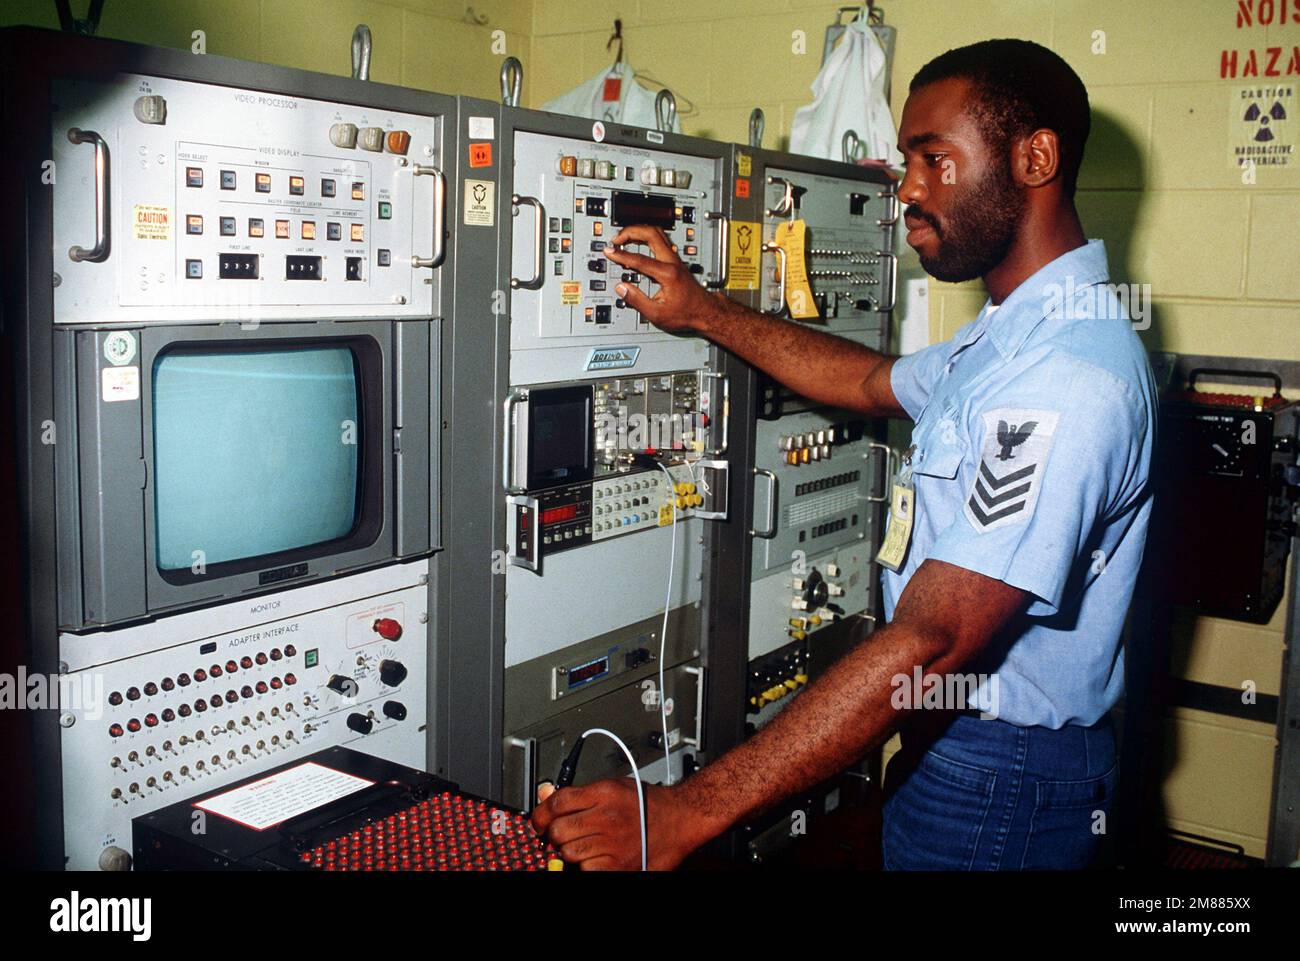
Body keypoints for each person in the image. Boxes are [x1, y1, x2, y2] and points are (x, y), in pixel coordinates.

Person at [531, 38, 1157, 871]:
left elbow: (931, 640)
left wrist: (686, 810)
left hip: (1001, 779)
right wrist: (703, 312)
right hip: (956, 750)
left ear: (1035, 157)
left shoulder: (1065, 374)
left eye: (936, 160)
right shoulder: (1014, 339)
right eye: (907, 162)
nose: (909, 192)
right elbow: (865, 380)